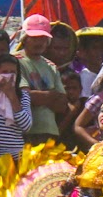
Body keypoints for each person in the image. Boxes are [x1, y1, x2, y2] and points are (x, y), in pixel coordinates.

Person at [14, 15, 69, 145]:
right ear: (25, 38)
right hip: (26, 133)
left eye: (43, 38)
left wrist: (38, 97)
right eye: (34, 38)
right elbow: (22, 96)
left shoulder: (51, 66)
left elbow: (62, 105)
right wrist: (51, 95)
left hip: (49, 133)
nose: (39, 42)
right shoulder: (15, 61)